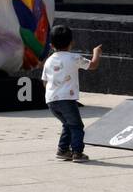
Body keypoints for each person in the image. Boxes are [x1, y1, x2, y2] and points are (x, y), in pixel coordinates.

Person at [41, 23, 101, 161]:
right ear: (71, 42)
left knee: (68, 124)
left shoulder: (48, 61)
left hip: (51, 100)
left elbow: (45, 81)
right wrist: (96, 53)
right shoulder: (74, 58)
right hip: (67, 100)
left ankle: (62, 150)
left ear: (51, 45)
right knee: (77, 126)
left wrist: (53, 92)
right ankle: (77, 152)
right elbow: (93, 65)